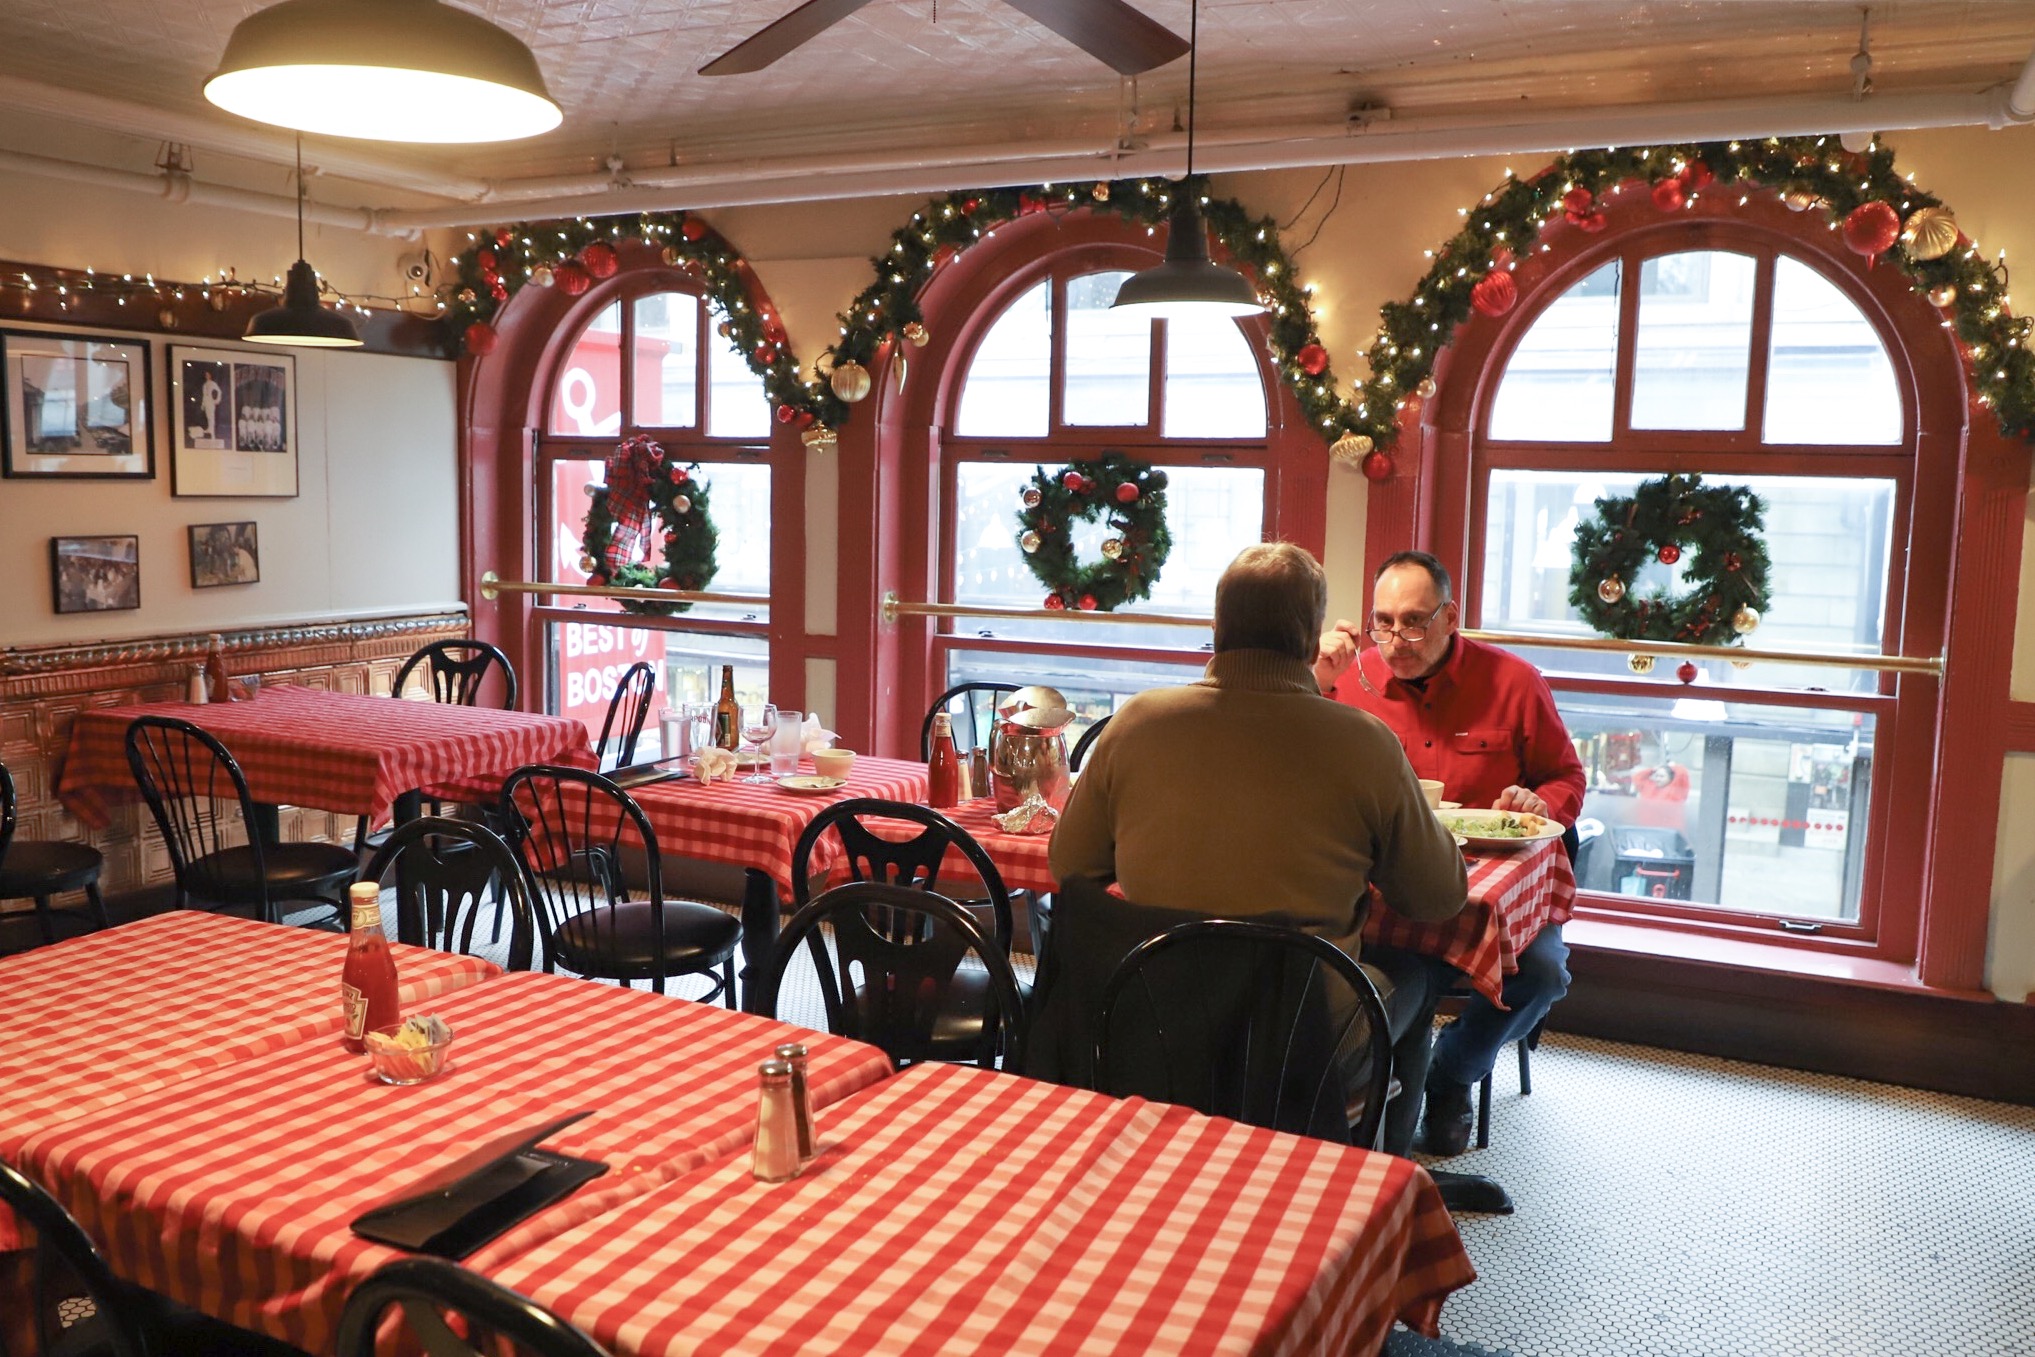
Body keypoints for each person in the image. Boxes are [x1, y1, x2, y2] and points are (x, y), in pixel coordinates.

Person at [1049, 543, 1469, 1151]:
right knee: (1416, 976)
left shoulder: (1138, 722)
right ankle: (1384, 1183)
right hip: (1298, 1039)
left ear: (1218, 631)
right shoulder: (1364, 743)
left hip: (1151, 1016)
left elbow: (1070, 866)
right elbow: (1438, 897)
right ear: (1309, 640)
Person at [1314, 549, 1587, 1157]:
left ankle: (1451, 1073)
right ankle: (1367, 1102)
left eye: (1413, 621)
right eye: (1382, 621)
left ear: (1450, 616)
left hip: (1493, 891)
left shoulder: (1514, 681)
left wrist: (1539, 803)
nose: (1395, 638)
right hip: (1389, 893)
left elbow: (1567, 778)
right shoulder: (1348, 684)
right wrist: (1311, 679)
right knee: (1353, 965)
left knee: (1543, 976)